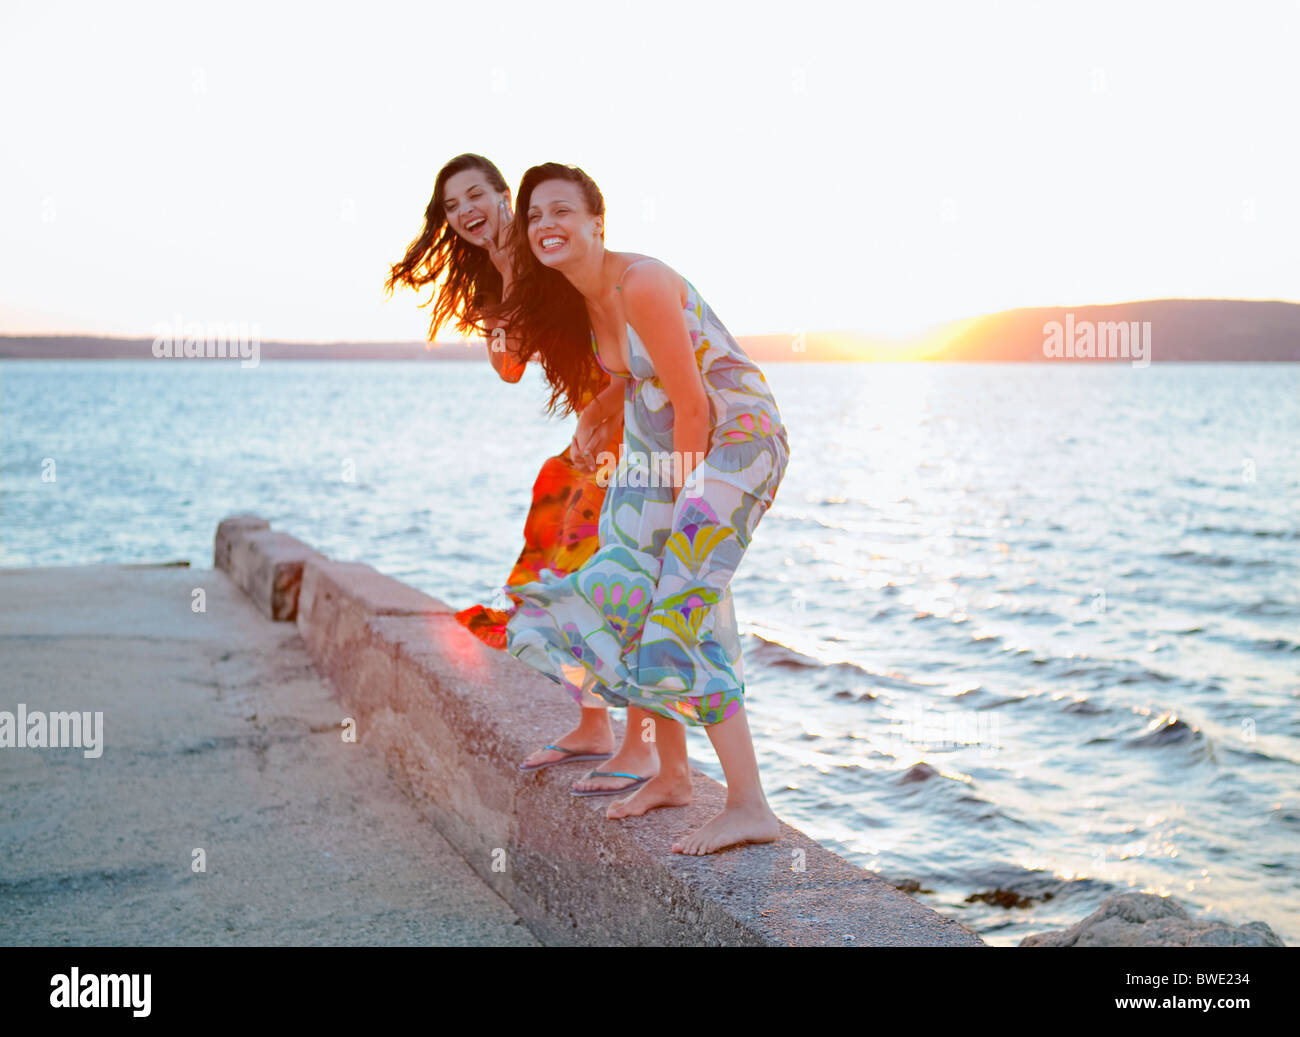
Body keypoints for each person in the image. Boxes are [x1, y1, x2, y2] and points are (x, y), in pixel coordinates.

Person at [494, 163, 790, 855]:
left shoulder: (644, 283)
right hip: (659, 451)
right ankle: (674, 773)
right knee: (623, 588)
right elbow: (639, 380)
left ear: (598, 222)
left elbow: (693, 401)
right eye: (535, 215)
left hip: (732, 447)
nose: (546, 225)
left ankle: (750, 806)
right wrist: (600, 414)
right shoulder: (586, 297)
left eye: (561, 210)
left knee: (680, 607)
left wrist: (685, 501)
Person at [383, 153, 657, 794]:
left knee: (624, 581)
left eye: (476, 195)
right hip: (591, 433)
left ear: (504, 195)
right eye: (452, 207)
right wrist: (498, 292)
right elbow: (509, 370)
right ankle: (594, 725)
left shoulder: (547, 247)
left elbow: (626, 340)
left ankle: (644, 748)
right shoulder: (496, 276)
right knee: (555, 578)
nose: (466, 213)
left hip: (634, 418)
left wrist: (599, 416)